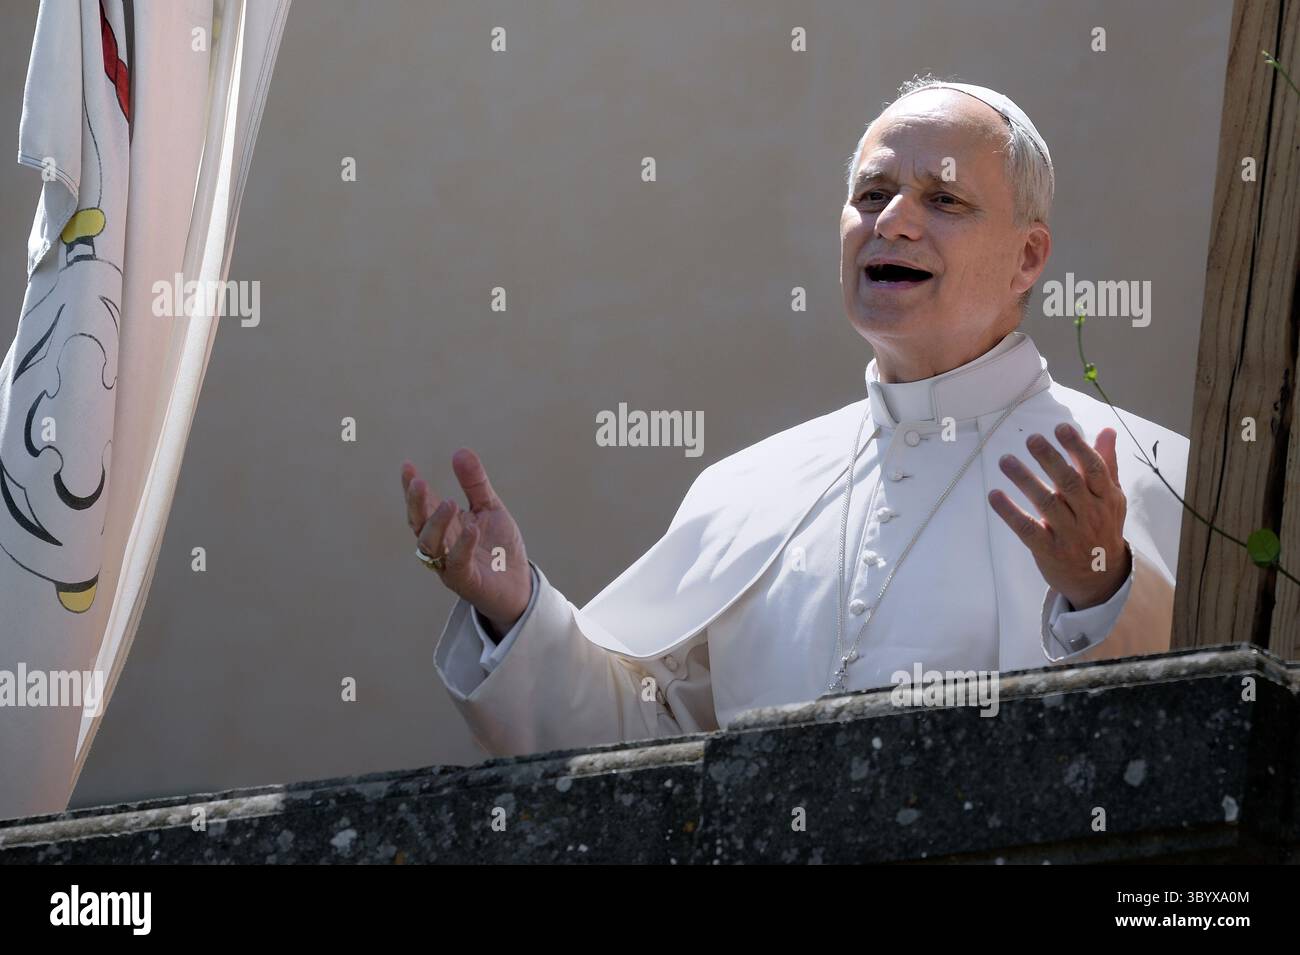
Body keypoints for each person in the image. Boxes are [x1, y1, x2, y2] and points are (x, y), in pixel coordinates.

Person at [400, 77, 1189, 758]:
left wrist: (1103, 586)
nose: (894, 222)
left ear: (1027, 257)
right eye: (872, 195)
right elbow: (649, 750)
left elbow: (1189, 740)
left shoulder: (1147, 468)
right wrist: (516, 615)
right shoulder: (748, 487)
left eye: (943, 199)